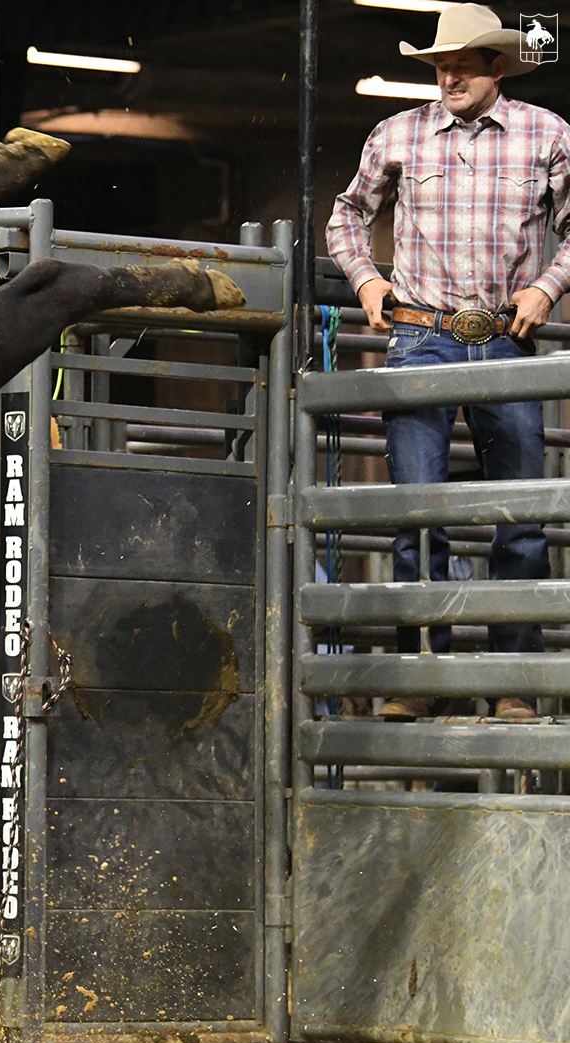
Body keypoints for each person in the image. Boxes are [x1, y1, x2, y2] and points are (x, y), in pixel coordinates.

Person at [326, 2, 570, 720]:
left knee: (520, 514)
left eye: (463, 65)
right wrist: (367, 280)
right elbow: (347, 213)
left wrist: (547, 286)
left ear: (499, 67)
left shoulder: (547, 133)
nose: (449, 77)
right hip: (421, 333)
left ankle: (513, 682)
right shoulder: (397, 133)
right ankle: (421, 676)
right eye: (440, 65)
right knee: (417, 510)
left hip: (505, 333)